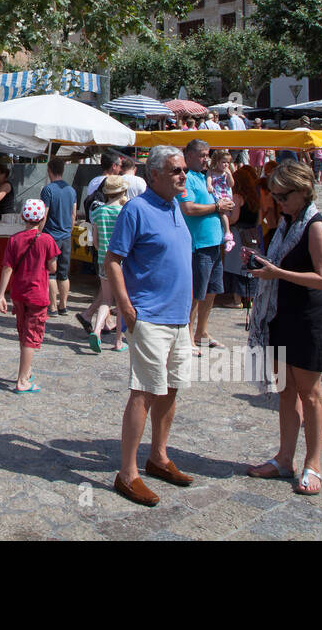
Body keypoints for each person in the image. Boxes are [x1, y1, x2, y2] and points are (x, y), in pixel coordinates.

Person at [108, 146, 196, 507]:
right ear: (155, 174)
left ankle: (158, 456)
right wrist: (127, 308)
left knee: (171, 389)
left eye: (185, 169)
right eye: (176, 170)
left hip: (177, 318)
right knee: (143, 392)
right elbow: (114, 260)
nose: (183, 175)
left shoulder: (174, 205)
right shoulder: (136, 209)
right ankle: (127, 473)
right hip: (150, 316)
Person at [244, 161, 322, 496]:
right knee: (285, 390)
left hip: (307, 317)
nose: (277, 202)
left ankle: (314, 463)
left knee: (310, 393)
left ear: (301, 191)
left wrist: (277, 273)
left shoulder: (315, 227)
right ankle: (285, 458)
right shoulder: (286, 222)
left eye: (282, 196)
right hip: (280, 314)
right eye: (275, 196)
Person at [0, 198, 60, 391]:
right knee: (32, 336)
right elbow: (52, 267)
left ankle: (27, 369)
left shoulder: (14, 239)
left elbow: (7, 268)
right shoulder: (47, 240)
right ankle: (22, 380)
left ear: (23, 217)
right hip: (38, 295)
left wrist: (1, 294)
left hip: (18, 293)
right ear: (42, 218)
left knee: (23, 332)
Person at [179, 139, 232, 350]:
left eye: (207, 155)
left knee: (212, 290)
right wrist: (216, 206)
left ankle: (202, 330)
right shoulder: (187, 179)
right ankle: (188, 335)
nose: (206, 159)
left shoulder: (206, 178)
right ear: (189, 156)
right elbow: (188, 208)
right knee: (195, 293)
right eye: (202, 155)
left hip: (214, 242)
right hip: (198, 245)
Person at [82, 175, 128, 352]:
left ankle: (97, 330)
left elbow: (95, 241)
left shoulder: (98, 212)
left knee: (106, 299)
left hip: (103, 259)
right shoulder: (123, 212)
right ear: (122, 191)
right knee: (121, 300)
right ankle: (118, 341)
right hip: (121, 260)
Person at [222, 165, 263, 311]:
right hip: (252, 234)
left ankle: (237, 299)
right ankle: (250, 298)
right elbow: (259, 219)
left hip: (239, 233)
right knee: (250, 265)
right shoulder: (255, 197)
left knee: (236, 267)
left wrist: (224, 220)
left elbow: (234, 218)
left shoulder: (237, 197)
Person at [40, 157, 77, 317]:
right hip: (65, 236)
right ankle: (64, 305)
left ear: (49, 170)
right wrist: (69, 231)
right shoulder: (71, 190)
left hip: (50, 236)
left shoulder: (47, 190)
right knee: (63, 273)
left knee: (50, 273)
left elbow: (44, 214)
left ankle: (53, 307)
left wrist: (38, 233)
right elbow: (73, 214)